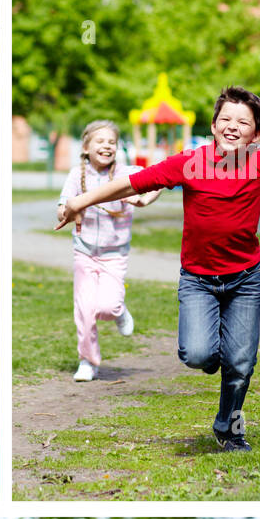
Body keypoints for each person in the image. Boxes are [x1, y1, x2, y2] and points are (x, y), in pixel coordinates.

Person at [57, 49, 260, 450]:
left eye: (243, 122)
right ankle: (211, 353)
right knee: (197, 354)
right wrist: (79, 201)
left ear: (256, 134)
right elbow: (132, 184)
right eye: (225, 119)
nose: (232, 127)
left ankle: (227, 426)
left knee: (242, 364)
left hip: (245, 278)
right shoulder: (190, 162)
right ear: (212, 125)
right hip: (198, 281)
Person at [55, 120, 160, 381]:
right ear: (86, 146)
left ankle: (120, 311)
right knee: (85, 310)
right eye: (100, 141)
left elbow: (160, 178)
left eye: (111, 142)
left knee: (107, 307)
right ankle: (88, 361)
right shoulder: (76, 176)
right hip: (84, 252)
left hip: (114, 254)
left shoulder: (128, 174)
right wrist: (70, 210)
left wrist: (144, 198)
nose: (106, 146)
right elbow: (62, 206)